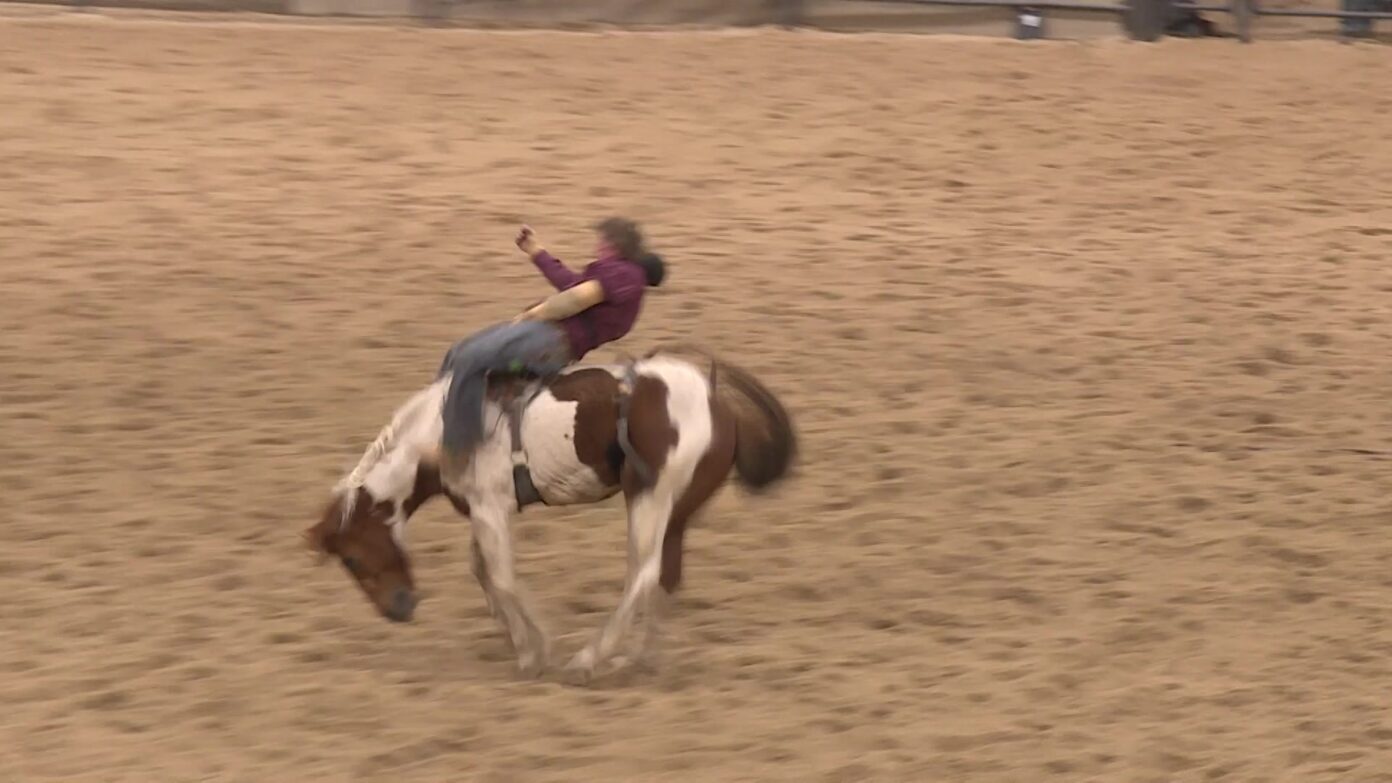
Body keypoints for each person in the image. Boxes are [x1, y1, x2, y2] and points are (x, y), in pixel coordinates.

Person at [437, 218, 666, 464]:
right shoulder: (620, 279)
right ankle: (442, 424)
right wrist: (536, 251)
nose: (599, 245)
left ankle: (458, 450)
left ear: (616, 245)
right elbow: (569, 284)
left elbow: (575, 299)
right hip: (551, 341)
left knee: (468, 358)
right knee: (459, 351)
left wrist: (532, 315)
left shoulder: (626, 276)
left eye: (604, 241)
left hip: (550, 340)